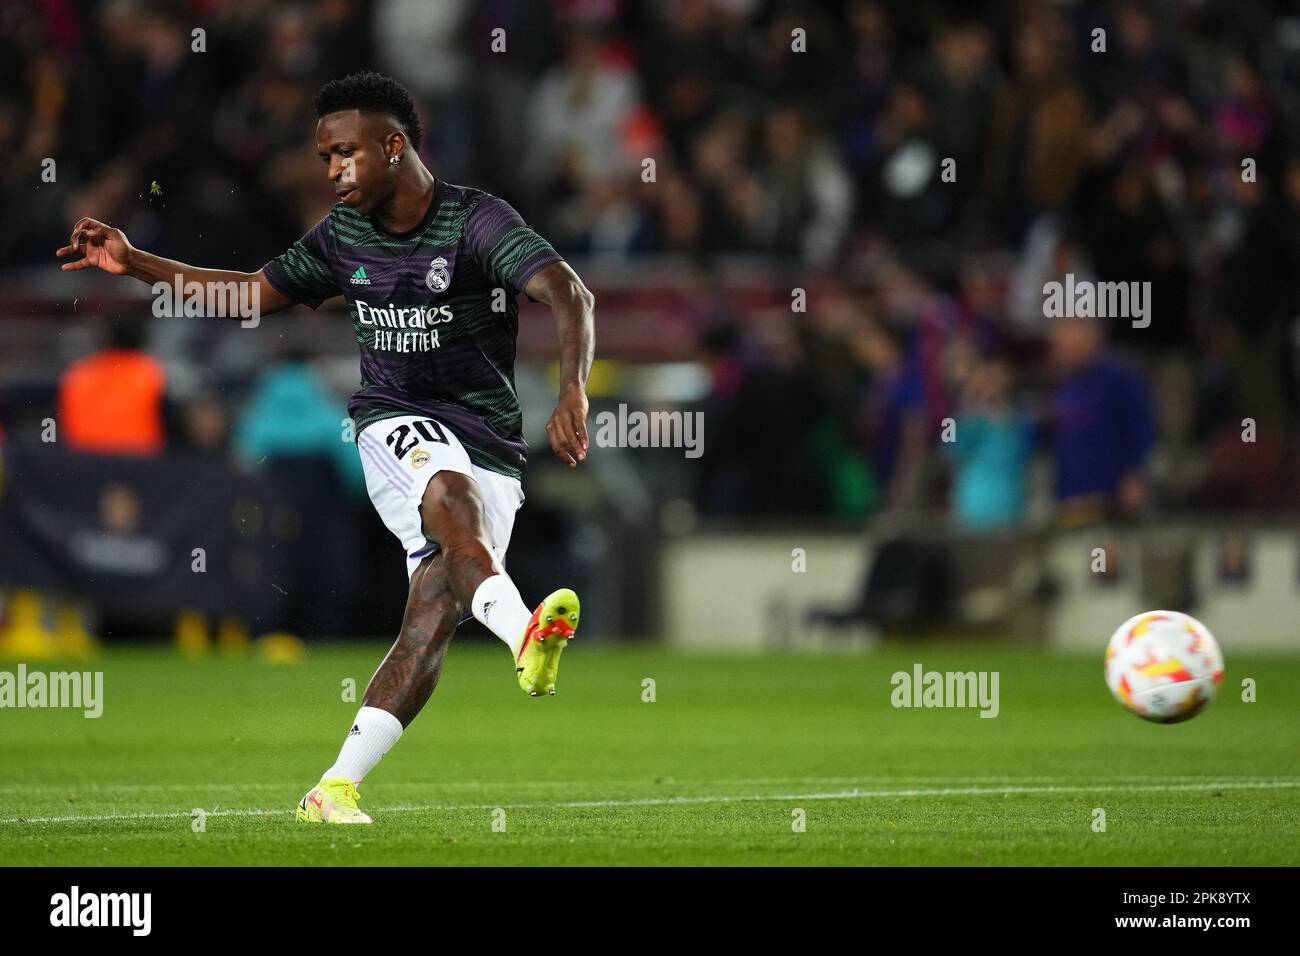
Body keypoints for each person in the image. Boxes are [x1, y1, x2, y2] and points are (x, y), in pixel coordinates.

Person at [56, 72, 596, 824]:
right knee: (449, 496)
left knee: (432, 617)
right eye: (324, 157)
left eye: (345, 153)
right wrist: (137, 262)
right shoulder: (342, 239)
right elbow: (247, 294)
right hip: (392, 420)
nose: (333, 171)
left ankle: (332, 788)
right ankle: (526, 634)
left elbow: (568, 291)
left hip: (492, 442)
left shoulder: (475, 221)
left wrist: (572, 390)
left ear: (393, 145)